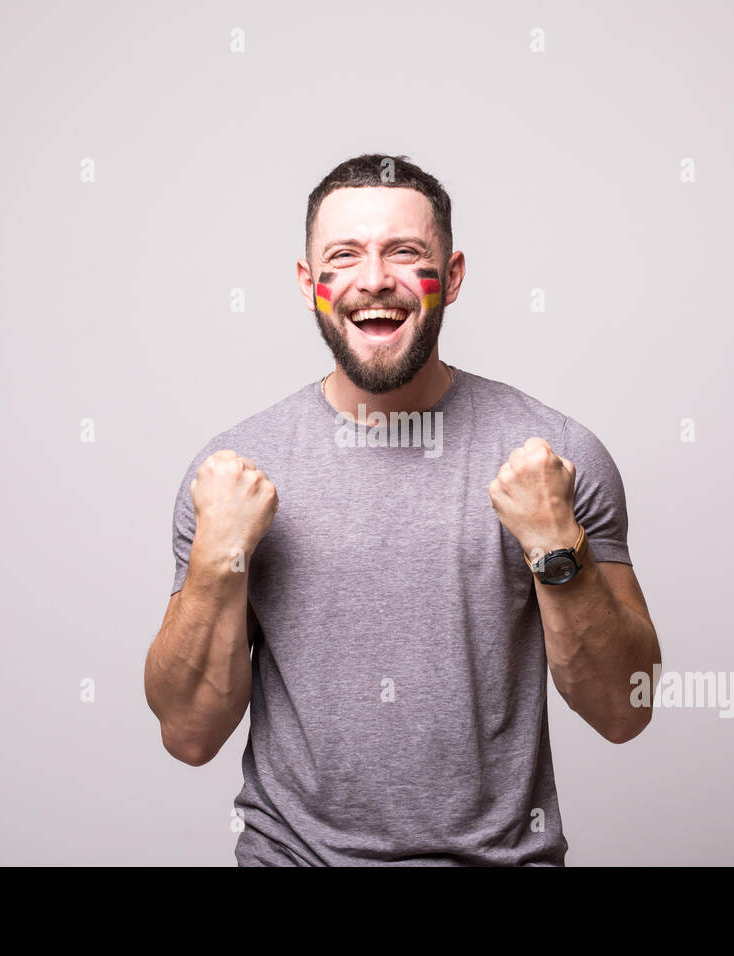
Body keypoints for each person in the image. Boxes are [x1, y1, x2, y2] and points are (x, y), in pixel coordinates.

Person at [144, 154, 661, 866]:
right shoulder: (236, 470)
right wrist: (215, 560)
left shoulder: (556, 459)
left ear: (450, 276)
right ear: (309, 284)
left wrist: (555, 546)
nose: (375, 278)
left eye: (405, 252)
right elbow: (187, 734)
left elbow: (624, 710)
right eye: (344, 255)